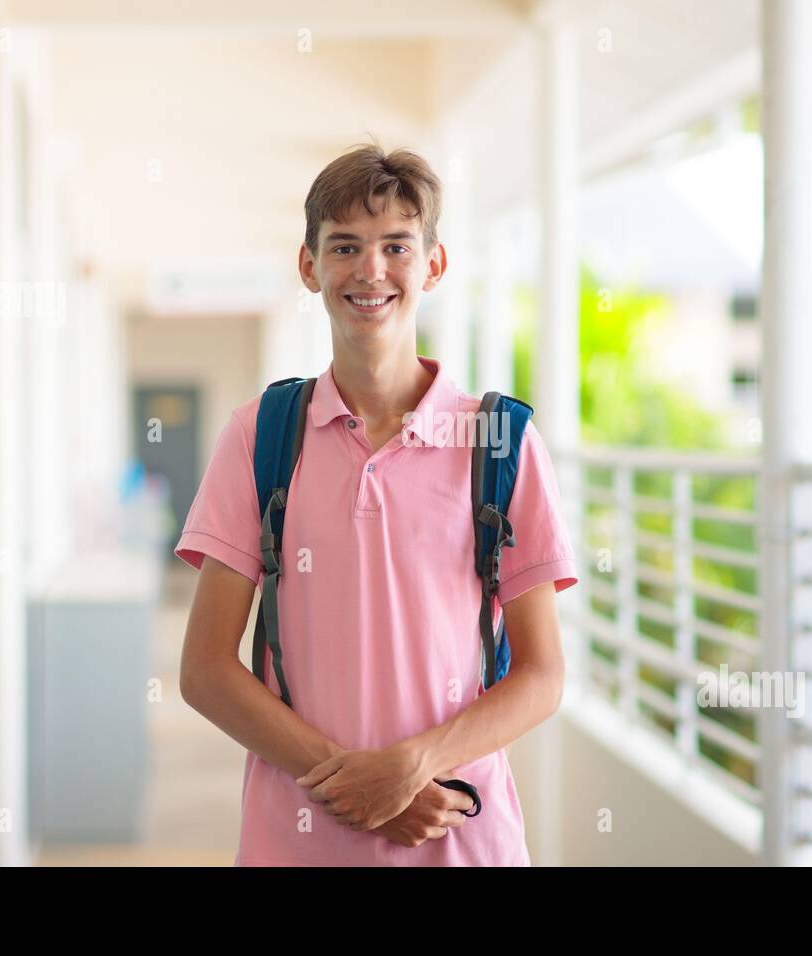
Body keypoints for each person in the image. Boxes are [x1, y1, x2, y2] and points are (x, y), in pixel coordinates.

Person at [173, 139, 578, 865]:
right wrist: (352, 784)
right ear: (309, 267)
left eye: (397, 245)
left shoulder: (499, 441)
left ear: (434, 263)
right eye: (345, 247)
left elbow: (543, 674)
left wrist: (409, 768)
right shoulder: (260, 436)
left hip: (459, 836)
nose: (371, 270)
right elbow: (205, 669)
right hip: (297, 841)